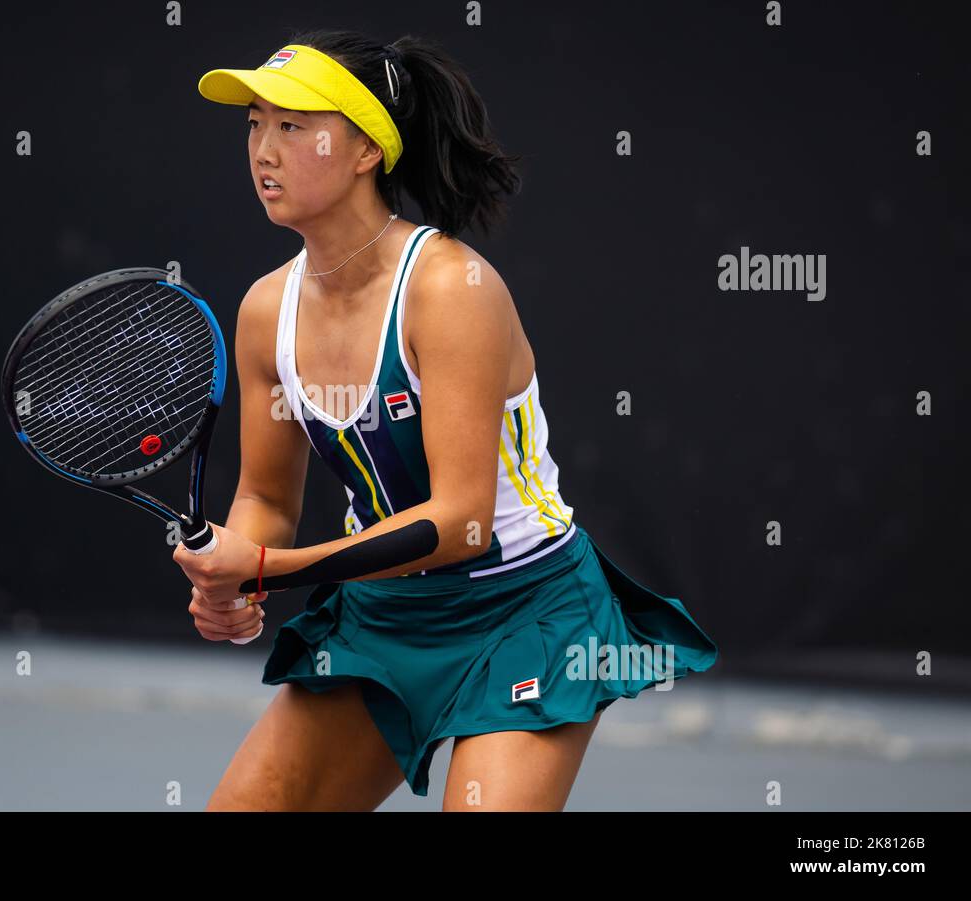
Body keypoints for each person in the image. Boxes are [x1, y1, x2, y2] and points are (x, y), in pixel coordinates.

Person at [173, 29, 718, 811]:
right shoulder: (265, 311)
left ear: (366, 151)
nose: (263, 147)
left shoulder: (452, 289)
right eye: (254, 123)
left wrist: (263, 569)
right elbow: (266, 498)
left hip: (526, 613)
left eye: (293, 126)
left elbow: (463, 525)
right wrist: (232, 580)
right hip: (383, 619)